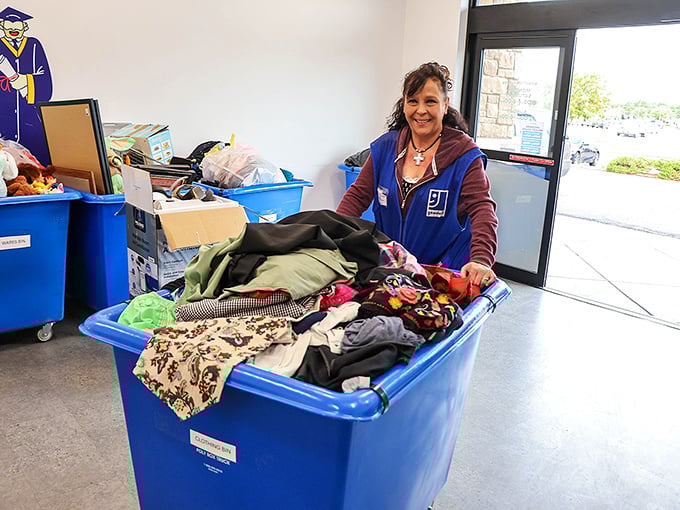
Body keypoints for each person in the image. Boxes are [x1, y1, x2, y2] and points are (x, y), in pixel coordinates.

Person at [337, 62, 498, 287]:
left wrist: (481, 259)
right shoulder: (385, 148)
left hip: (440, 275)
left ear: (445, 105)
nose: (421, 110)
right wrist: (332, 235)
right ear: (404, 105)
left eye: (430, 101)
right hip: (390, 271)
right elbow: (357, 196)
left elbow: (483, 209)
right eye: (413, 101)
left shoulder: (464, 155)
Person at [0, 6, 53, 165]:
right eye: (8, 25)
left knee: (40, 166)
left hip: (29, 119)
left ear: (25, 27)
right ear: (2, 26)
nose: (13, 29)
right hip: (3, 119)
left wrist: (26, 81)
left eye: (17, 26)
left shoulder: (33, 45)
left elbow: (46, 82)